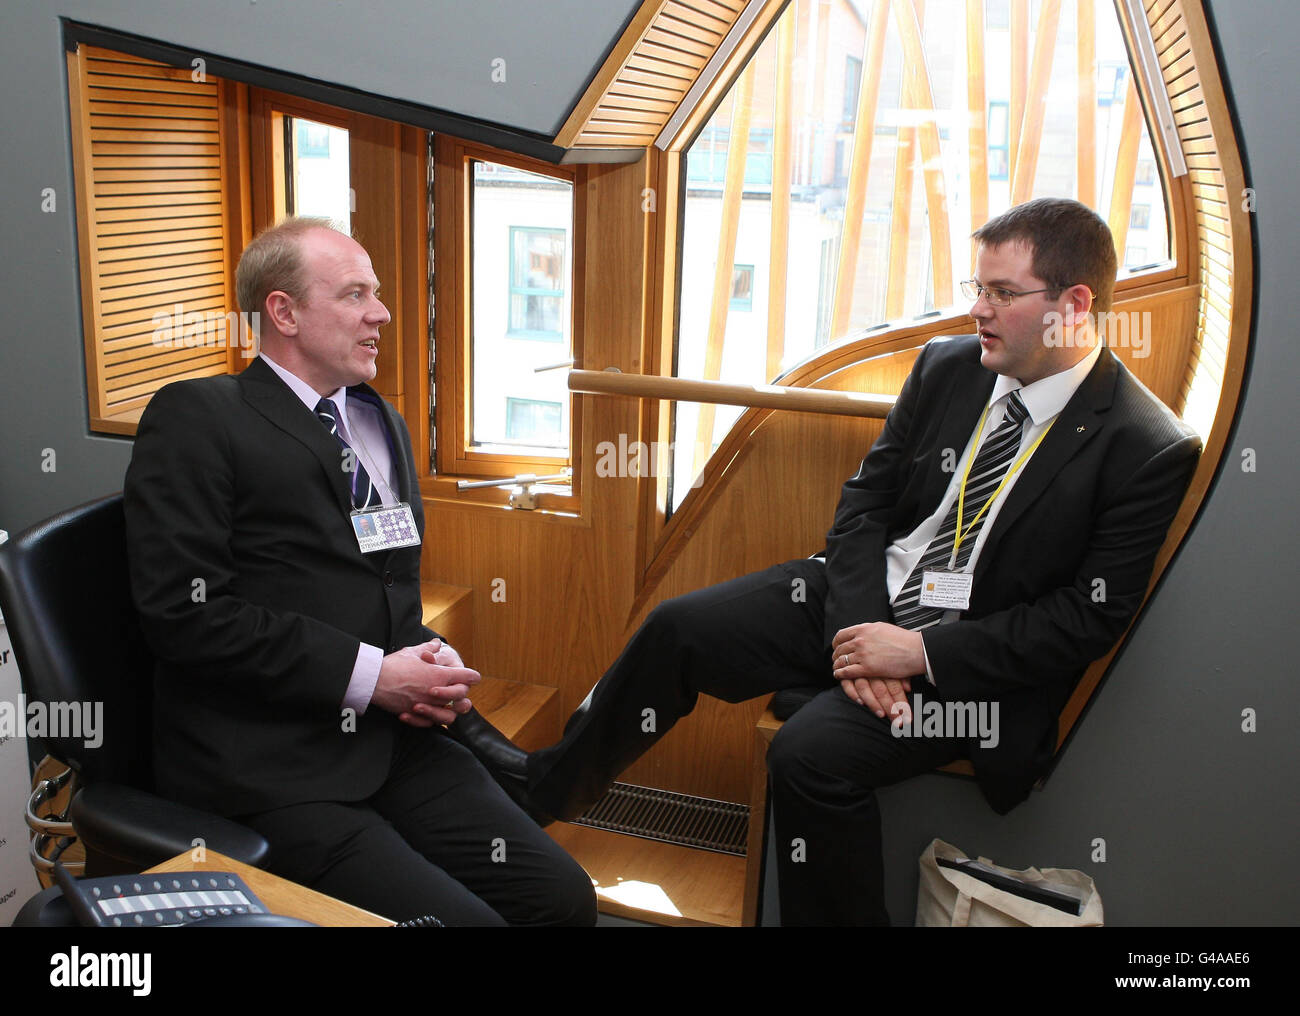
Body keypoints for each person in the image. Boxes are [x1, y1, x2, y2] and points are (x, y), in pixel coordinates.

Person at [474, 197, 1202, 925]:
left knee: (807, 757)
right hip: (862, 600)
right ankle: (546, 792)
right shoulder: (948, 367)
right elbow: (863, 507)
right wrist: (862, 635)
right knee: (678, 628)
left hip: (966, 678)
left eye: (1002, 294)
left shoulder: (1145, 445)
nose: (977, 311)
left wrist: (915, 653)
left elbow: (1085, 619)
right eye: (975, 288)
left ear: (1074, 305)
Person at [124, 217, 595, 926]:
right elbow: (185, 614)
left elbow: (384, 582)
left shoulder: (381, 421)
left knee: (559, 899)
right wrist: (374, 675)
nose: (381, 313)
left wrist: (420, 664)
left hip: (392, 742)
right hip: (272, 766)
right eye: (354, 295)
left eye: (375, 294)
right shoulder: (199, 417)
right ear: (282, 312)